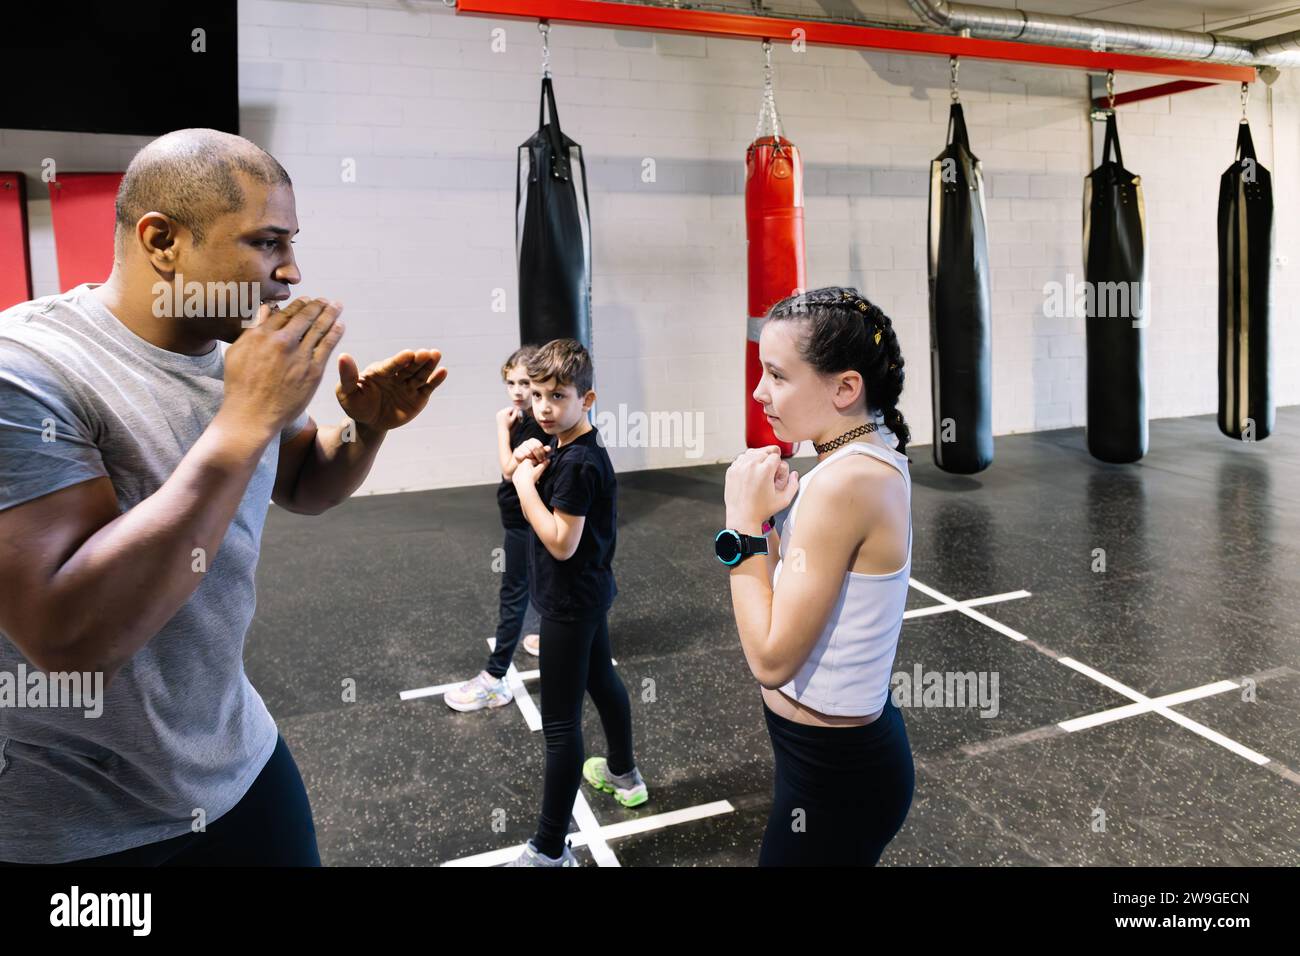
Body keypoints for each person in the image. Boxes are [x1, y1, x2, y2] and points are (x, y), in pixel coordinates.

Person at [0, 128, 446, 866]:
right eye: (267, 243)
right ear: (163, 241)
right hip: (81, 818)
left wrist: (365, 431)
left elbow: (303, 481)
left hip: (236, 757)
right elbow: (69, 642)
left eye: (291, 242)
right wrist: (244, 418)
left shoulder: (234, 352)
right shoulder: (30, 369)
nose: (292, 270)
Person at [720, 286, 915, 866]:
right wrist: (773, 528)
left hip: (836, 776)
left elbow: (772, 659)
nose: (760, 392)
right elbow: (797, 597)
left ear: (845, 388)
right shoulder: (860, 458)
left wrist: (743, 527)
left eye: (777, 375)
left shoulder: (843, 482)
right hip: (828, 762)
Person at [505, 338, 646, 867]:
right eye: (538, 394)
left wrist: (525, 486)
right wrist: (536, 457)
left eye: (557, 395)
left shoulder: (578, 464)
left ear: (587, 400)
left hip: (569, 602)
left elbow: (561, 541)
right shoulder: (571, 448)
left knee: (561, 725)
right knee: (601, 680)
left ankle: (548, 849)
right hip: (587, 594)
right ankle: (623, 774)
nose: (543, 406)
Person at [444, 346, 546, 712]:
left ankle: (494, 678)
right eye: (511, 382)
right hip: (520, 519)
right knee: (539, 580)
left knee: (514, 593)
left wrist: (501, 429)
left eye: (527, 382)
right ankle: (552, 636)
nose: (518, 390)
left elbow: (508, 470)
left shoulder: (534, 424)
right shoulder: (523, 418)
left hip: (526, 522)